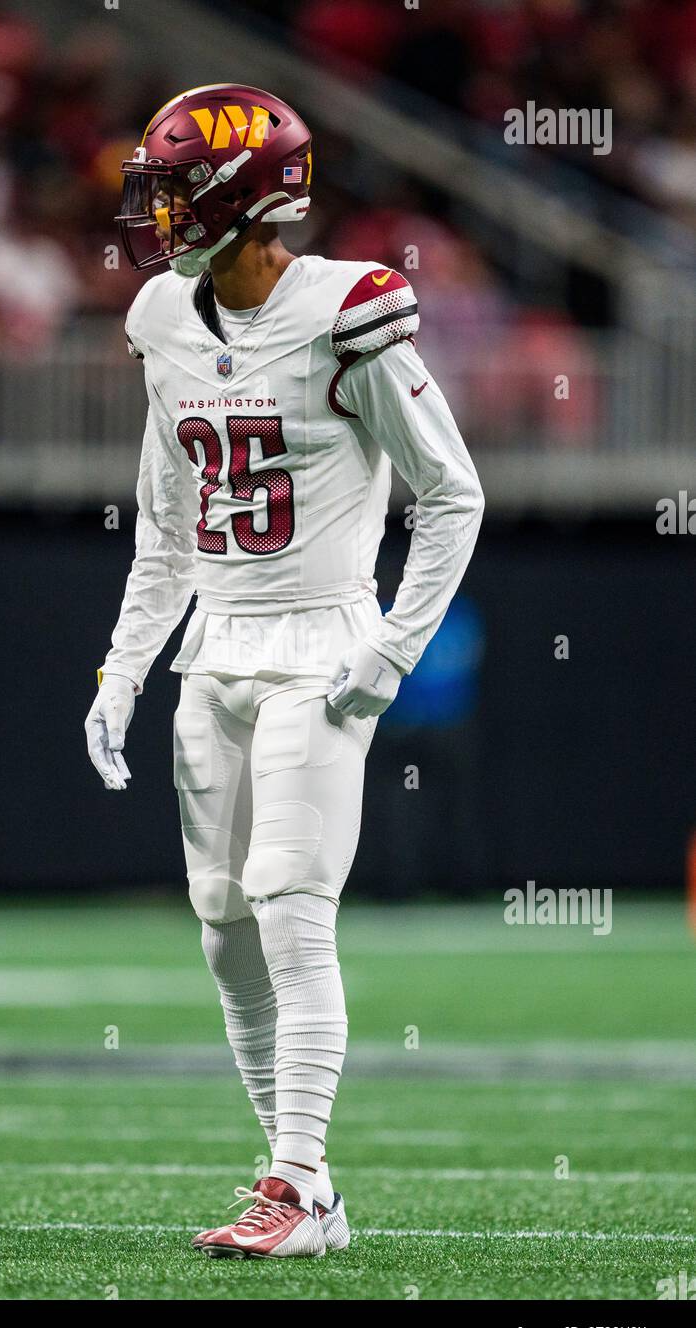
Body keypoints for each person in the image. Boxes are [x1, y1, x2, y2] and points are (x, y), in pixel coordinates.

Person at [84, 83, 484, 1259]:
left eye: (171, 186)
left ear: (238, 192)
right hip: (213, 647)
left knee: (289, 909)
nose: (154, 212)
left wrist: (388, 647)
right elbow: (165, 520)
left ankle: (297, 1178)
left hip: (318, 645)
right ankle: (301, 1187)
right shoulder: (163, 315)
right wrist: (122, 668)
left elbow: (451, 492)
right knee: (221, 925)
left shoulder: (343, 309)